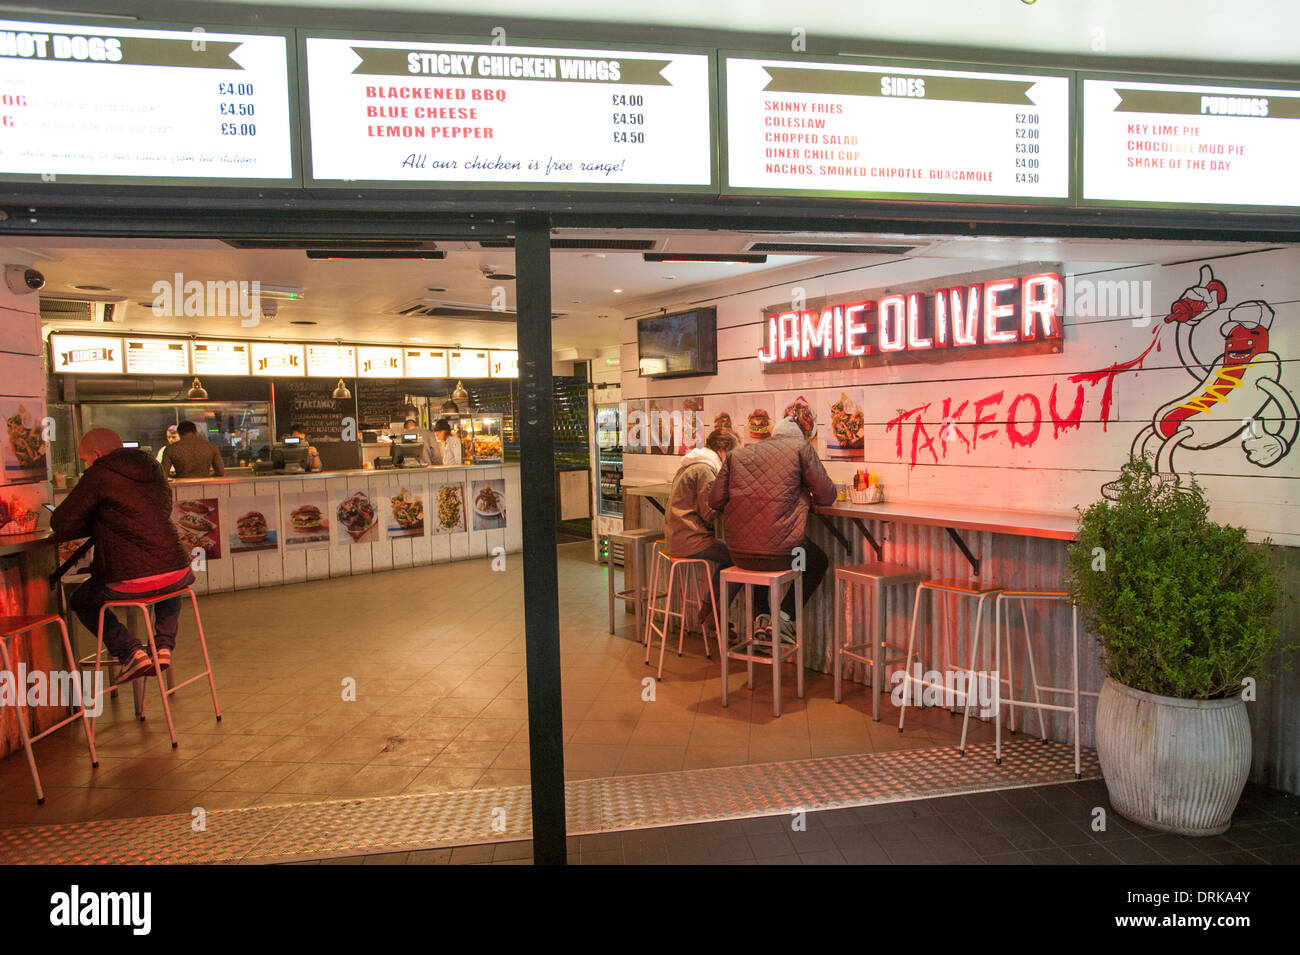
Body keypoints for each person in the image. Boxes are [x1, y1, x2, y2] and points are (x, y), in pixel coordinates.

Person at [52, 428, 193, 683]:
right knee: (171, 582)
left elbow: (61, 523)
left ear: (97, 454)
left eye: (86, 459)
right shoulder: (152, 468)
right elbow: (158, 509)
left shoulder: (98, 474)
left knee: (81, 599)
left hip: (128, 578)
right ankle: (163, 647)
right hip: (177, 566)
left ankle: (130, 652)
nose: (87, 464)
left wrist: (97, 522)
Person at [708, 415, 835, 641]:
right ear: (797, 438)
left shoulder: (738, 454)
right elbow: (827, 496)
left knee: (760, 555)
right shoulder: (801, 449)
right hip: (785, 555)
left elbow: (715, 500)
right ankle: (784, 618)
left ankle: (762, 617)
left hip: (740, 555)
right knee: (816, 562)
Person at [665, 428, 736, 633]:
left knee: (729, 556)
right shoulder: (706, 470)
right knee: (737, 558)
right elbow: (709, 512)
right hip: (690, 539)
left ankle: (709, 609)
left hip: (677, 537)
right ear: (723, 450)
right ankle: (714, 612)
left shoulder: (691, 464)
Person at [160, 420, 225, 478]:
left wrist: (175, 477)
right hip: (206, 486)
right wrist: (206, 476)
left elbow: (163, 475)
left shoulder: (170, 449)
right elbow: (220, 472)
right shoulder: (211, 447)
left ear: (179, 433)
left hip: (181, 486)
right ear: (195, 432)